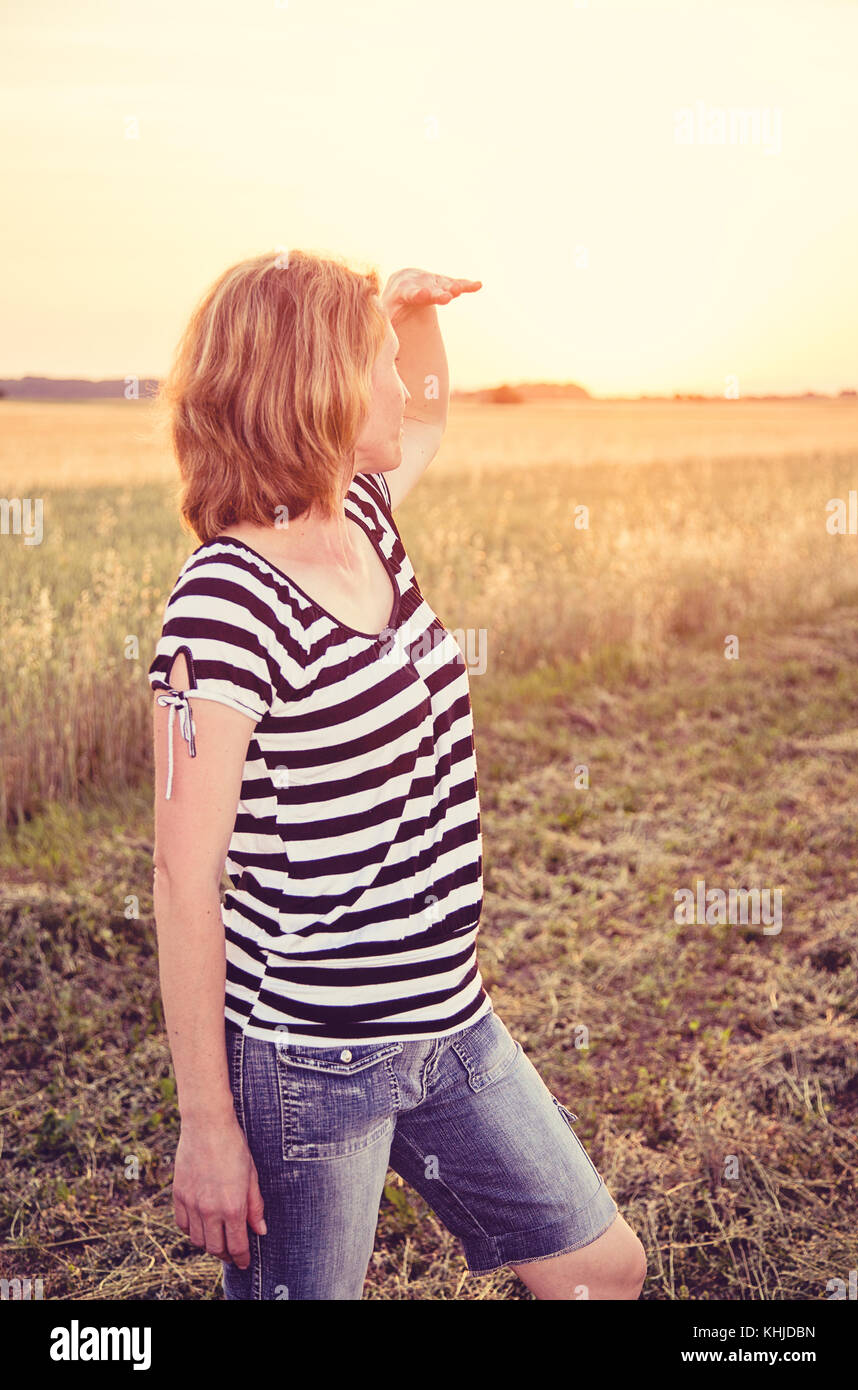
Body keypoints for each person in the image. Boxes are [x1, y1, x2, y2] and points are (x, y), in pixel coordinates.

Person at [149, 250, 646, 1301]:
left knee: (601, 1270)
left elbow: (422, 418)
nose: (393, 383)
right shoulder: (226, 602)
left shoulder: (362, 517)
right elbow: (182, 873)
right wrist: (207, 1125)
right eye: (374, 360)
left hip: (448, 1017)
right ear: (315, 384)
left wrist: (414, 317)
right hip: (313, 1060)